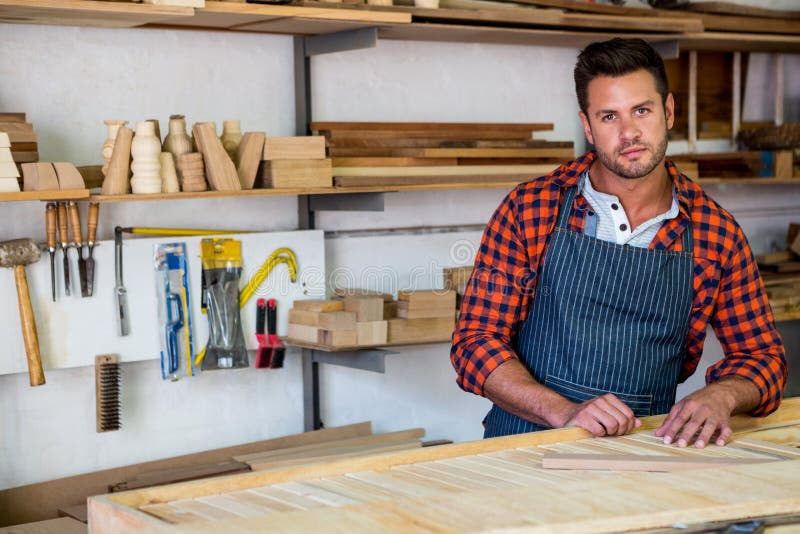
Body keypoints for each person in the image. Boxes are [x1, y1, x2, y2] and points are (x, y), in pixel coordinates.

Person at [450, 38, 787, 448]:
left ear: (668, 111)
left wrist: (723, 395)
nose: (629, 133)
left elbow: (763, 358)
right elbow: (474, 342)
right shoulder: (531, 209)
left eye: (641, 110)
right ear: (588, 127)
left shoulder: (715, 234)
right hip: (523, 451)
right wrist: (563, 412)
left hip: (642, 454)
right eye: (609, 116)